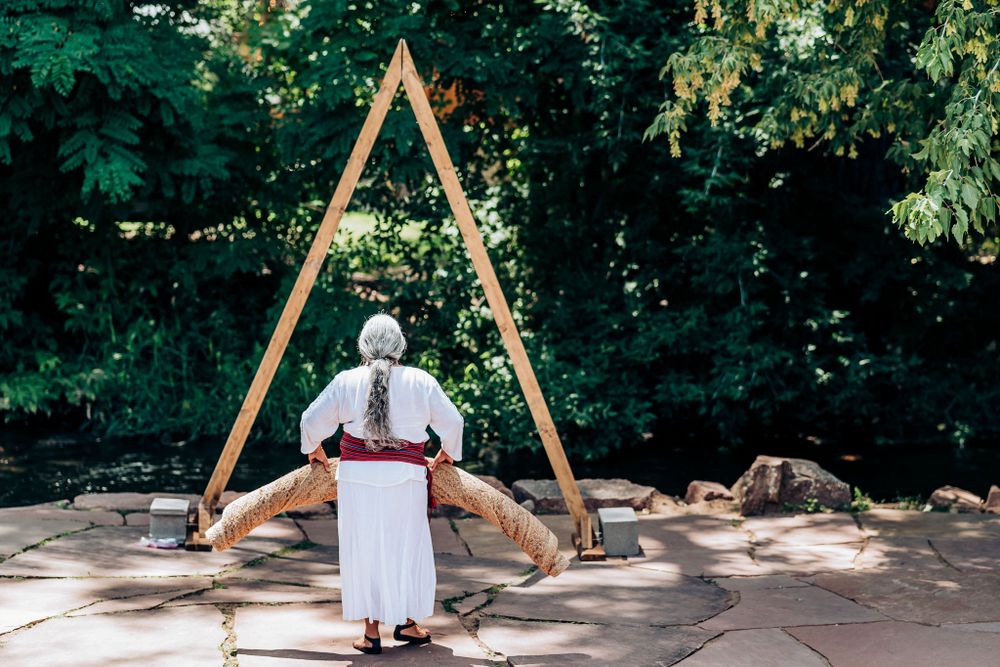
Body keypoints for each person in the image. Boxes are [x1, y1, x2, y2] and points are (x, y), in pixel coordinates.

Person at [299, 312, 464, 655]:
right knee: (405, 547)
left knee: (365, 549)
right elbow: (454, 421)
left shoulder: (346, 380)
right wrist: (447, 452)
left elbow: (310, 419)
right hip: (406, 480)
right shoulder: (420, 380)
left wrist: (314, 449)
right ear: (400, 346)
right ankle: (407, 623)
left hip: (357, 480)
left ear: (363, 345)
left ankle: (371, 633)